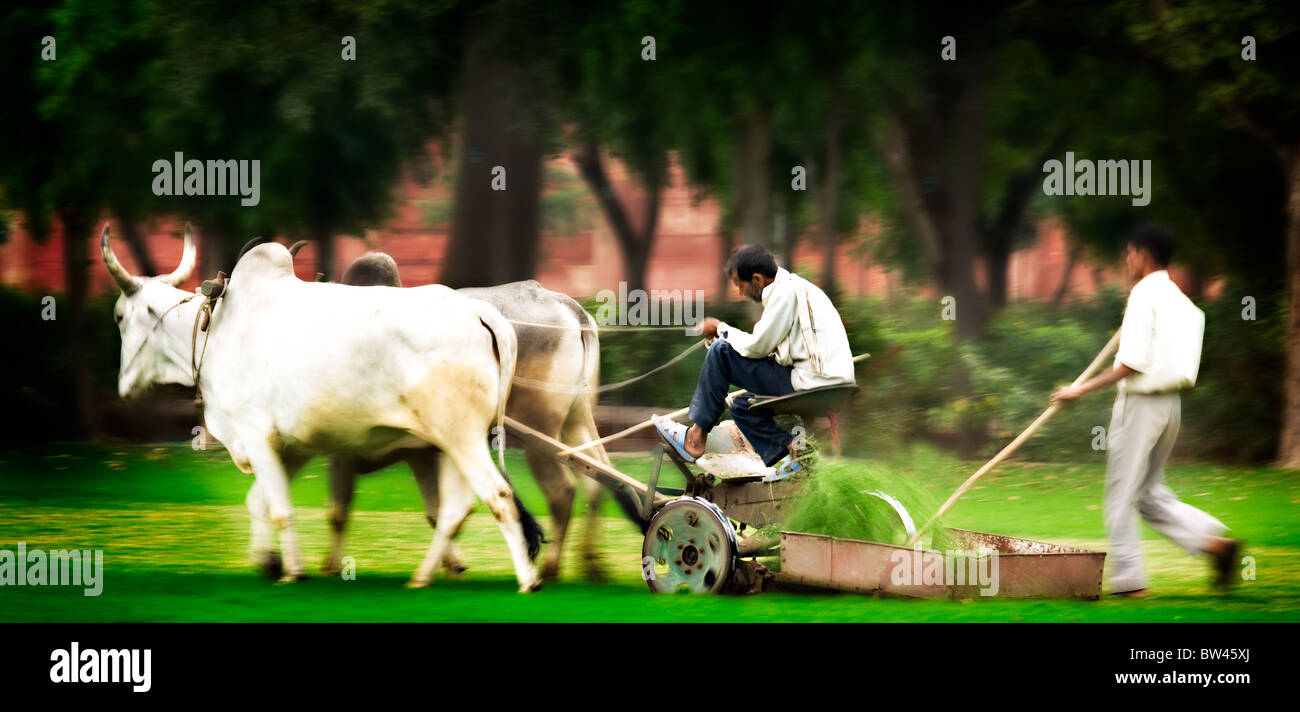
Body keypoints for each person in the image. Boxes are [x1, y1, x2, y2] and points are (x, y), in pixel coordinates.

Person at [1051, 223, 1240, 596]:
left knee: (1120, 495)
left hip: (1139, 405)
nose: (1126, 260)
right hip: (1170, 406)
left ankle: (1130, 583)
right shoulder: (1181, 301)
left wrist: (1078, 391)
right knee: (1149, 494)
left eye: (1128, 253)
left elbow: (1131, 365)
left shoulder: (1142, 295)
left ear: (1141, 253)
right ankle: (1213, 543)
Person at [653, 245, 855, 477]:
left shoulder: (783, 294)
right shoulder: (799, 288)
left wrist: (720, 329)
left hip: (814, 385)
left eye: (741, 285)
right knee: (742, 406)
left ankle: (695, 438)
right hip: (831, 386)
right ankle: (798, 454)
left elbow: (758, 347)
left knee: (721, 351)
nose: (740, 293)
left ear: (757, 279)